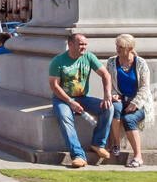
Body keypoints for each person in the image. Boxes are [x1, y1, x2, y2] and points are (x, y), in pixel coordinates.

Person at [48, 32, 114, 168]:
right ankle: (78, 155)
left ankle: (98, 144)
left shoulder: (89, 56)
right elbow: (54, 86)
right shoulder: (58, 61)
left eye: (85, 44)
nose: (84, 47)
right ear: (70, 44)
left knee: (108, 108)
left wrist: (107, 94)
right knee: (65, 117)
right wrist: (70, 102)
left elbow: (105, 74)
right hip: (63, 99)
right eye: (80, 44)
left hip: (83, 98)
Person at [106, 34, 152, 168]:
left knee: (129, 119)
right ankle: (115, 144)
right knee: (114, 109)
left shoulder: (140, 63)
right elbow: (109, 82)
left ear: (130, 48)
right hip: (120, 98)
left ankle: (138, 156)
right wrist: (113, 94)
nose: (117, 49)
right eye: (117, 46)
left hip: (139, 101)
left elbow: (145, 87)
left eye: (121, 47)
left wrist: (135, 103)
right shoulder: (111, 62)